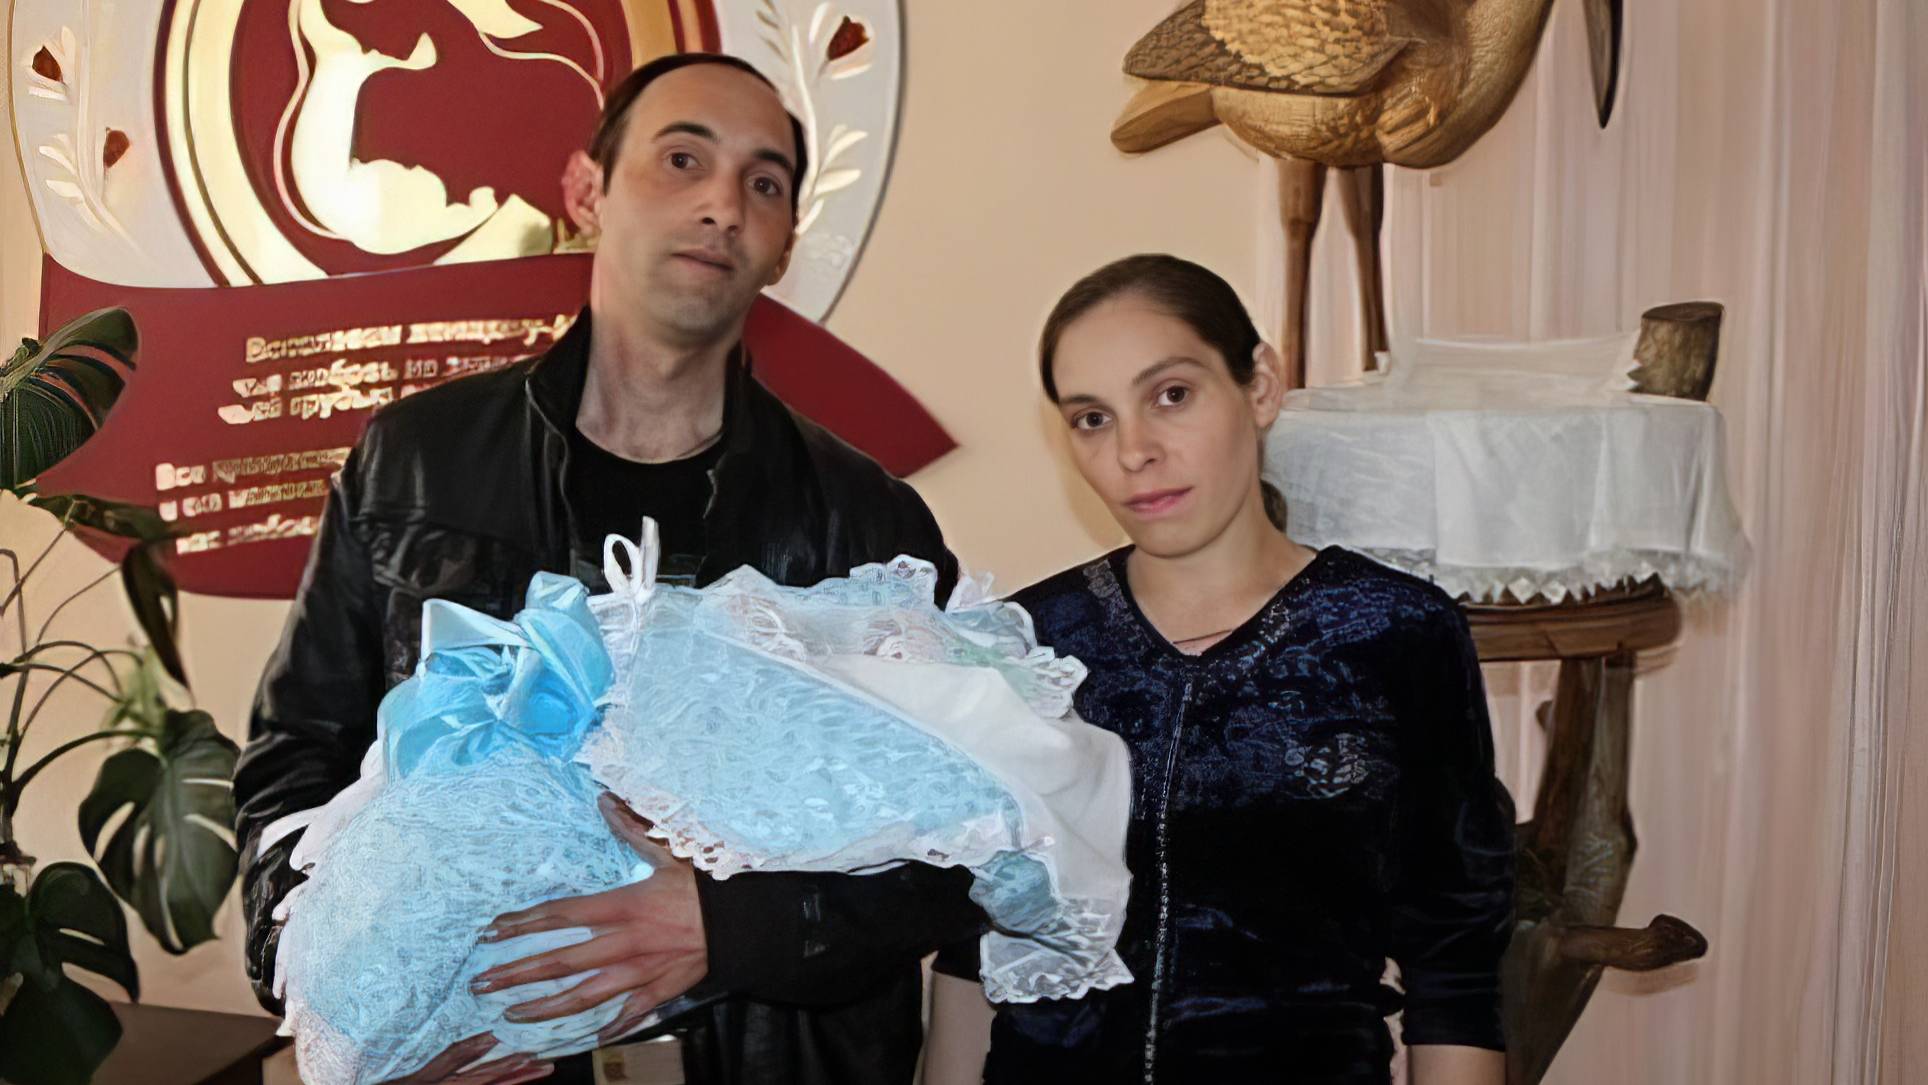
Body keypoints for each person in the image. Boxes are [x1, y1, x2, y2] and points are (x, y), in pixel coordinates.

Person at [233, 52, 982, 1085]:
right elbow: (296, 757)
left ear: (783, 245)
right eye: (682, 159)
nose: (723, 205)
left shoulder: (867, 520)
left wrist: (733, 924)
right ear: (586, 190)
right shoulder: (413, 460)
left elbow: (971, 836)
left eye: (764, 183)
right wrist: (341, 1002)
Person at [924, 254, 1516, 1085]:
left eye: (1171, 394)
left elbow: (1454, 967)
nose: (1134, 451)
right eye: (1092, 418)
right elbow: (974, 946)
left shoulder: (1397, 632)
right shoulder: (1027, 643)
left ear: (1260, 386)